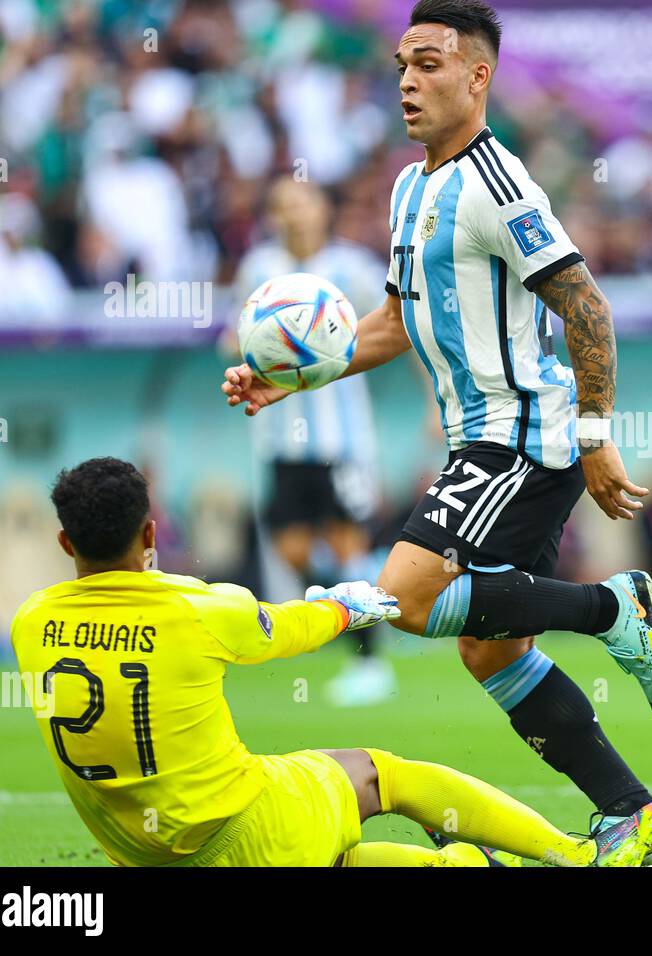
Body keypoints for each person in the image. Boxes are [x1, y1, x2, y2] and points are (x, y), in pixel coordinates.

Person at [221, 0, 652, 861]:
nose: (407, 80)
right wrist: (290, 374)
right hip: (480, 437)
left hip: (519, 432)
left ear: (479, 76)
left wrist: (593, 432)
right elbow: (392, 327)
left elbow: (586, 304)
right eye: (401, 63)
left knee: (404, 594)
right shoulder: (410, 187)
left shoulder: (499, 187)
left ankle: (611, 605)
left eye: (429, 63)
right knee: (491, 654)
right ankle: (635, 814)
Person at [11, 457, 652, 867]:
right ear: (150, 534)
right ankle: (580, 857)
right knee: (383, 777)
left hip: (139, 855)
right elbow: (292, 628)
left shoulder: (30, 622)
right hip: (239, 830)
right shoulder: (197, 608)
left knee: (329, 854)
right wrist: (350, 607)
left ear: (66, 540)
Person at [236, 177, 397, 707]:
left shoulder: (352, 269)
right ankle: (363, 603)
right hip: (278, 440)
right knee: (294, 549)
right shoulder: (257, 270)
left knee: (348, 540)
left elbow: (400, 327)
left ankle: (371, 661)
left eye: (302, 203)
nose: (293, 215)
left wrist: (431, 401)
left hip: (342, 440)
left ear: (323, 209)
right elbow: (242, 335)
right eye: (282, 206)